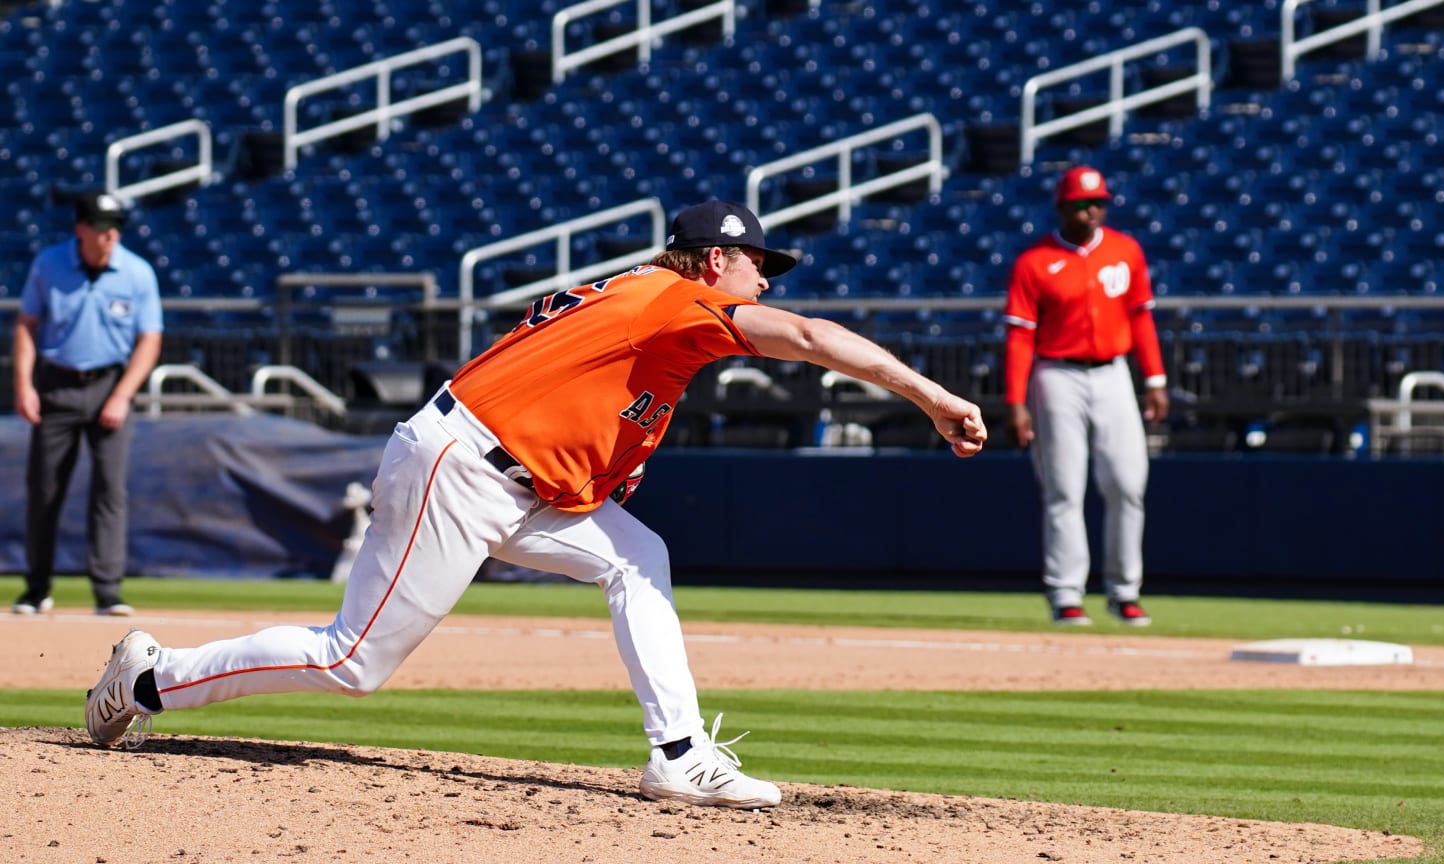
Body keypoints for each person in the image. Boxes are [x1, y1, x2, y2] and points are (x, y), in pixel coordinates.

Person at [86, 200, 987, 810]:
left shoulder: (644, 311)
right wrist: (931, 396)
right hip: (461, 470)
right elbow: (812, 338)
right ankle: (149, 677)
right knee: (352, 661)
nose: (767, 280)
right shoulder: (674, 300)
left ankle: (678, 756)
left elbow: (582, 406)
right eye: (758, 264)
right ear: (715, 259)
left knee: (639, 557)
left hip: (513, 478)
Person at [1003, 166, 1168, 627]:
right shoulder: (1035, 261)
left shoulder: (1124, 250)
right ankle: (1065, 593)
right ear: (1063, 206)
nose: (1091, 210)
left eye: (1098, 202)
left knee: (1128, 484)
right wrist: (1015, 401)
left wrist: (1155, 379)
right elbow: (1019, 336)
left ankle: (1124, 591)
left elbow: (1141, 318)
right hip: (1057, 374)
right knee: (1063, 488)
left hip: (1114, 372)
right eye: (1081, 203)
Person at [12, 192, 163, 617]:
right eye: (101, 226)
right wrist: (24, 385)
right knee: (44, 488)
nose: (110, 234)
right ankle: (36, 588)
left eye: (116, 226)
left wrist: (122, 394)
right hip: (57, 384)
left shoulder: (137, 272)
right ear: (81, 229)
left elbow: (150, 339)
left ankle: (108, 590)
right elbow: (27, 325)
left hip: (111, 384)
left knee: (109, 489)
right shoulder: (50, 265)